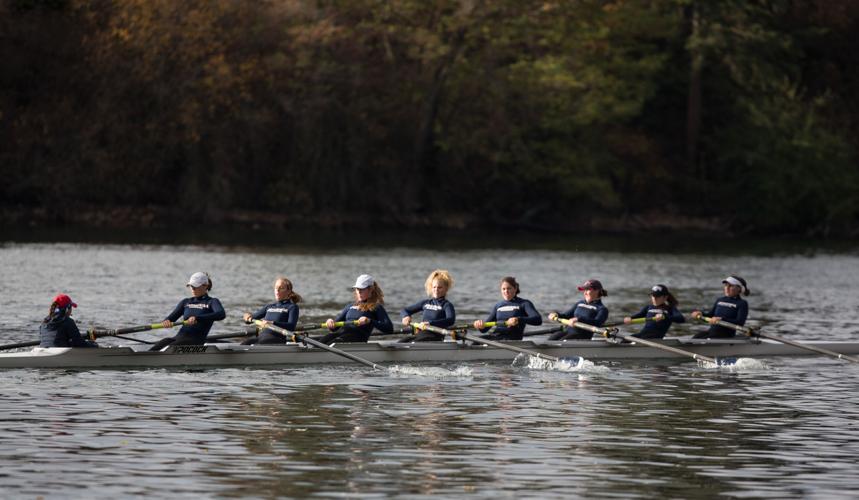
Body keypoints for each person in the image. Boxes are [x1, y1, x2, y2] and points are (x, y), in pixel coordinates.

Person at [149, 272, 226, 351]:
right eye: (191, 286)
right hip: (178, 338)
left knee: (170, 348)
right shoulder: (186, 302)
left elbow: (221, 314)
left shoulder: (212, 302)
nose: (192, 289)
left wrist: (197, 318)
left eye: (195, 286)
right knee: (163, 342)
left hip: (195, 341)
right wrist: (166, 321)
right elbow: (170, 318)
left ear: (205, 285)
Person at [316, 274, 393, 344]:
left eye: (362, 289)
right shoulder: (350, 306)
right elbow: (335, 328)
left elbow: (389, 329)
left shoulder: (376, 307)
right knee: (321, 342)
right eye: (357, 289)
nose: (359, 292)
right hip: (340, 335)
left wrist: (370, 321)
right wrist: (330, 322)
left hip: (356, 339)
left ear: (370, 289)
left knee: (333, 343)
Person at [473, 276, 542, 341]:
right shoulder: (498, 306)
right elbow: (484, 330)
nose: (506, 291)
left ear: (515, 289)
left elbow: (538, 319)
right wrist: (480, 325)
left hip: (511, 339)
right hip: (496, 337)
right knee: (476, 341)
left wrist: (518, 319)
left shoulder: (524, 303)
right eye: (503, 289)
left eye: (509, 288)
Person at [399, 269, 456, 342]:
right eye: (434, 287)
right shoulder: (425, 303)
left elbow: (451, 320)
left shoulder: (447, 305)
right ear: (431, 288)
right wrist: (405, 316)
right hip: (422, 334)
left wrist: (430, 323)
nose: (436, 289)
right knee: (400, 342)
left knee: (413, 342)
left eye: (439, 287)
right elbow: (405, 310)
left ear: (446, 289)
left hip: (435, 336)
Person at [241, 276, 302, 345]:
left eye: (281, 288)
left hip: (277, 339)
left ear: (289, 291)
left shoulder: (292, 307)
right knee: (244, 343)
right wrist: (247, 316)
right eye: (276, 288)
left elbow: (291, 326)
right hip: (261, 338)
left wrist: (273, 323)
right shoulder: (269, 306)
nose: (277, 290)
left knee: (256, 344)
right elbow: (250, 320)